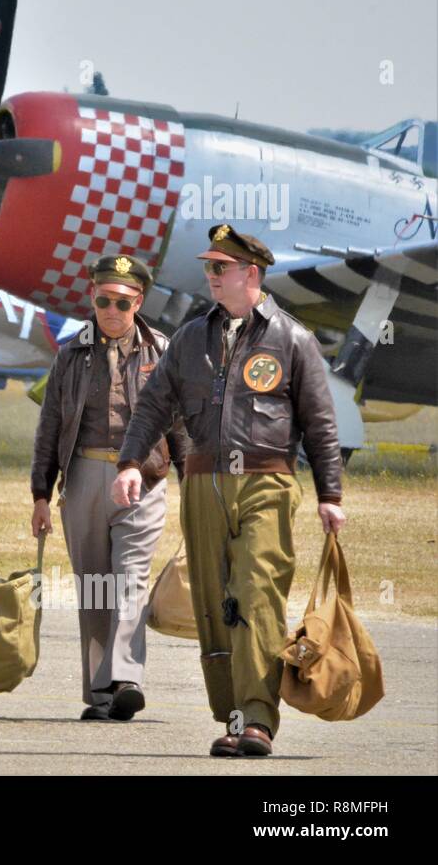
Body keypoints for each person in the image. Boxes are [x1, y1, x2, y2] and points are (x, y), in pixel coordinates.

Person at [112, 224, 346, 758]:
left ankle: (259, 719)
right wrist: (130, 463)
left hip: (267, 482)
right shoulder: (190, 338)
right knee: (216, 604)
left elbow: (320, 424)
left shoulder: (292, 339)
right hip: (202, 482)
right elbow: (153, 405)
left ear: (251, 274)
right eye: (209, 267)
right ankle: (234, 718)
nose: (211, 276)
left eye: (220, 268)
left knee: (257, 595)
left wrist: (330, 496)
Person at [30, 254, 185, 721]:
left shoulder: (163, 351)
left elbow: (180, 427)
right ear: (92, 298)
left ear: (138, 301)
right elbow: (50, 427)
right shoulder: (70, 354)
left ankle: (125, 678)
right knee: (96, 586)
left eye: (121, 301)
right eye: (103, 301)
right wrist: (41, 494)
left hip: (144, 480)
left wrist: (195, 485)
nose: (111, 310)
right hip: (83, 476)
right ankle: (101, 695)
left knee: (131, 579)